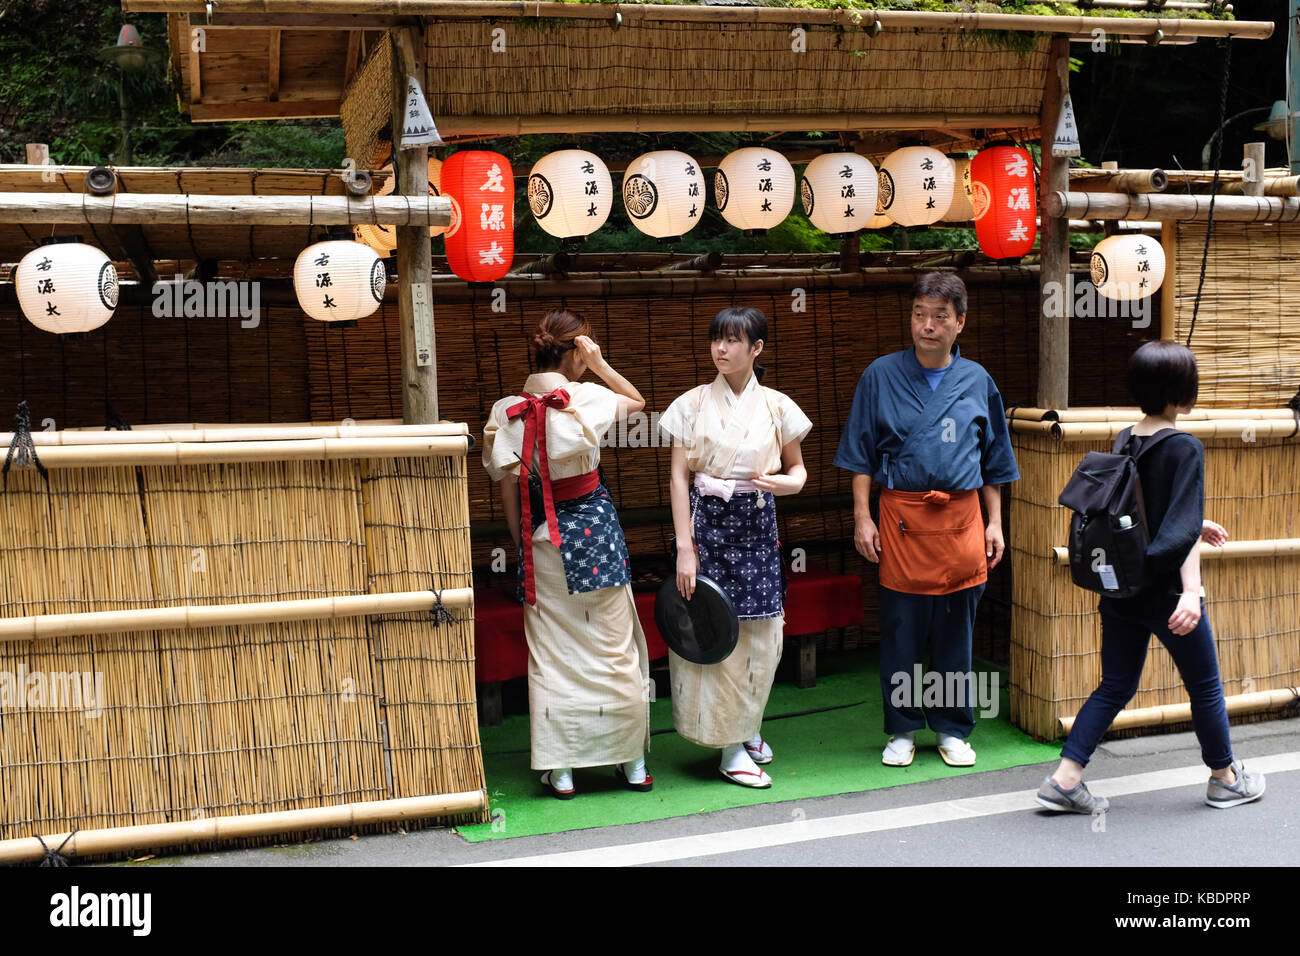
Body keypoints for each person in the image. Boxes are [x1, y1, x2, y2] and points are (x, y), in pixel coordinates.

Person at [1037, 340, 1265, 813]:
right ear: (1184, 392)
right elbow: (1178, 530)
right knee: (1204, 686)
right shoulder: (1185, 447)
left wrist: (1193, 522)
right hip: (1164, 589)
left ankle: (1065, 779)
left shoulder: (1126, 438)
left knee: (1116, 684)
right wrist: (1191, 594)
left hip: (1122, 586)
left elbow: (1137, 510)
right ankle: (1225, 777)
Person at [834, 273, 1019, 768]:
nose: (927, 326)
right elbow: (859, 455)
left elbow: (995, 462)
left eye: (940, 317)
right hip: (900, 518)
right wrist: (862, 516)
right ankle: (901, 728)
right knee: (902, 630)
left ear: (961, 322)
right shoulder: (879, 375)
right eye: (920, 314)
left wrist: (995, 524)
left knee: (956, 630)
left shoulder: (978, 381)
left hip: (962, 519)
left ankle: (953, 728)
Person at [482, 309, 653, 799]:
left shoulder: (504, 409)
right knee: (612, 645)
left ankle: (561, 768)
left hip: (541, 536)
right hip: (593, 530)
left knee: (553, 652)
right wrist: (599, 365)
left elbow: (510, 487)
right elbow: (636, 401)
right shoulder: (591, 395)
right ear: (579, 350)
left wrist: (522, 541)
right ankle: (633, 762)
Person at [658, 306, 812, 788]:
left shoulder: (778, 406)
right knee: (715, 630)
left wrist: (787, 486)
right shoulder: (691, 404)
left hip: (758, 522)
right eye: (716, 339)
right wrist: (686, 546)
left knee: (764, 633)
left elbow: (799, 470)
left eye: (732, 341)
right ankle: (727, 748)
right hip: (709, 526)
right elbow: (679, 478)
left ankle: (747, 727)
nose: (721, 349)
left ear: (757, 348)